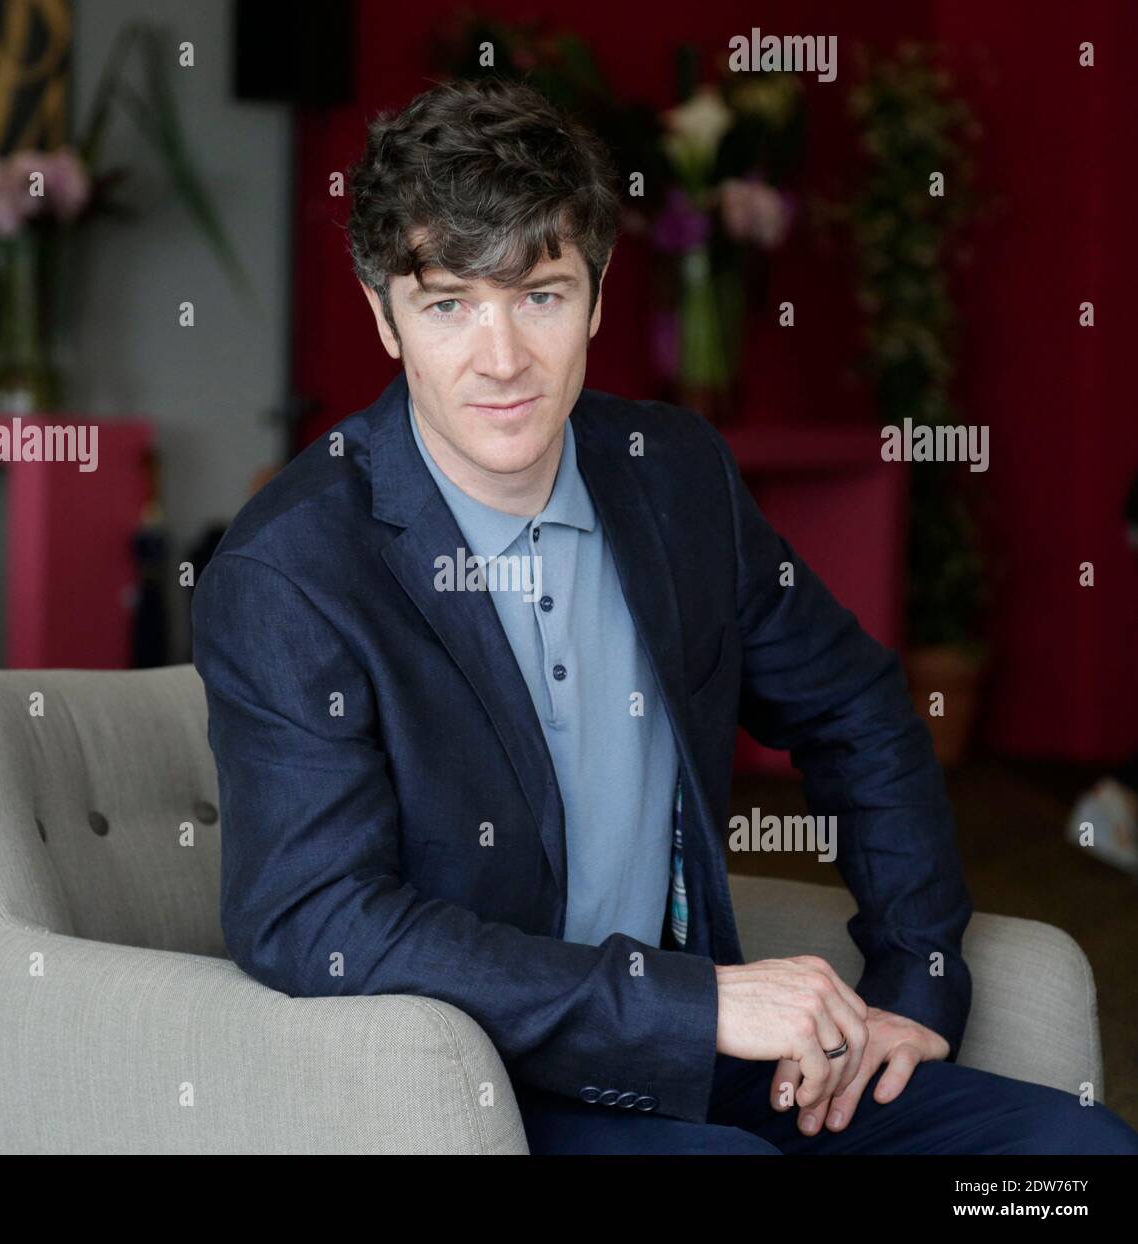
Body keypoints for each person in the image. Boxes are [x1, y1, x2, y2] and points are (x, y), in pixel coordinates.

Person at [191, 77, 1138, 1155]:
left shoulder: (670, 475)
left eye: (541, 295)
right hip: (471, 1088)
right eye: (450, 302)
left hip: (702, 1065)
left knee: (1075, 1154)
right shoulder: (294, 567)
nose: (501, 358)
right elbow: (317, 920)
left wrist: (915, 976)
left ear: (597, 298)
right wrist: (699, 1005)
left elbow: (857, 708)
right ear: (383, 317)